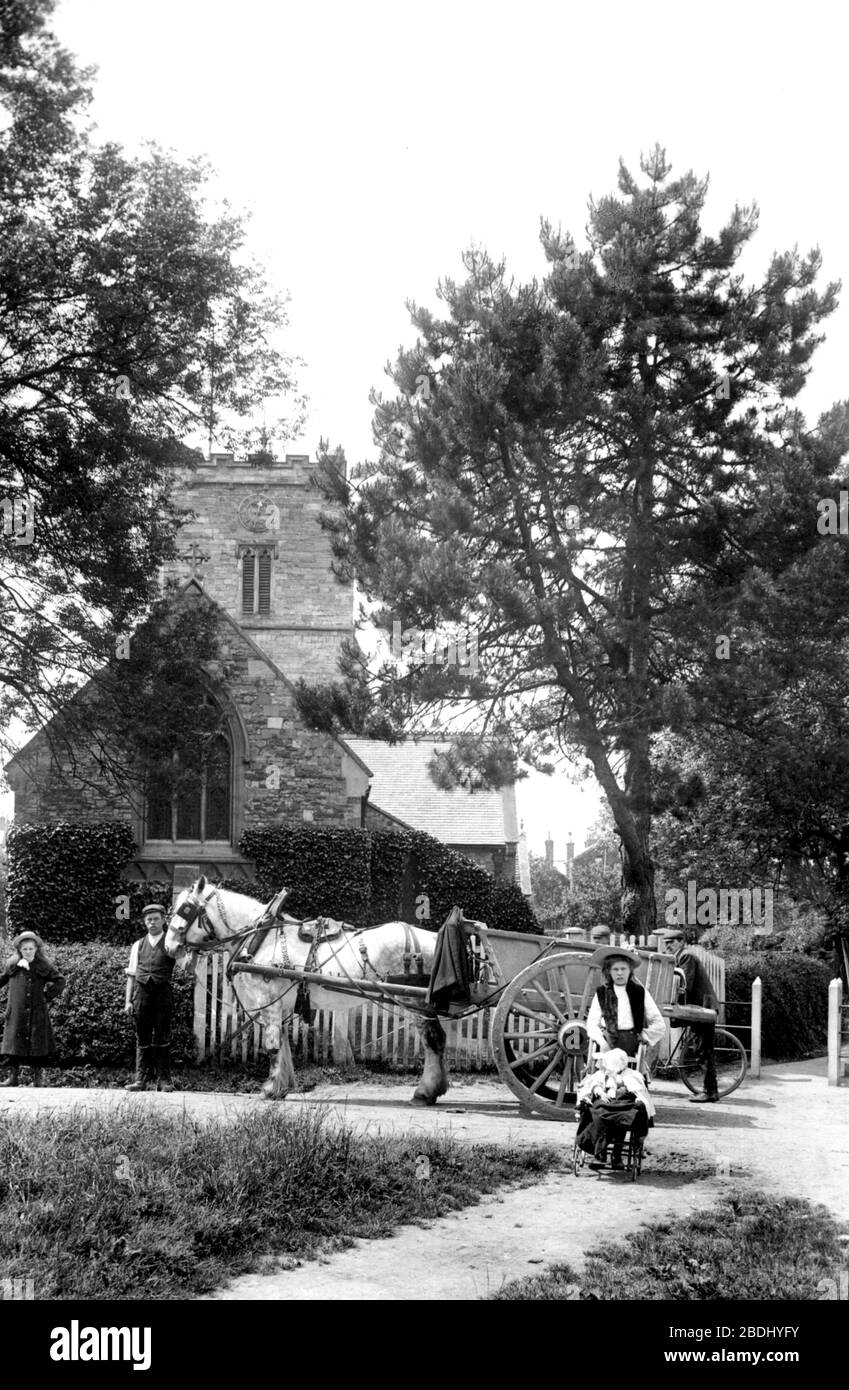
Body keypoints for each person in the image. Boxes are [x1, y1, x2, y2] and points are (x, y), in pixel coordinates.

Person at [660, 928, 719, 1102]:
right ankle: (708, 1089)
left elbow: (685, 985)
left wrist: (672, 1000)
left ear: (680, 941)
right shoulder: (681, 956)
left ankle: (711, 1092)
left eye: (671, 943)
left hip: (703, 1008)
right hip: (697, 1009)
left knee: (703, 1050)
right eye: (666, 943)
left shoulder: (687, 956)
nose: (668, 946)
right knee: (698, 1047)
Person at [0, 930, 65, 1086]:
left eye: (31, 948)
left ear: (36, 949)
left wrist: (47, 996)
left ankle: (38, 1079)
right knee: (13, 1045)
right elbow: (3, 978)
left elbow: (60, 981)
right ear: (19, 950)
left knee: (38, 1044)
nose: (28, 952)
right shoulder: (12, 964)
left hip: (37, 1011)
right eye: (25, 949)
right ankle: (13, 1078)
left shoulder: (43, 965)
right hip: (16, 1011)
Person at [125, 904, 176, 1092]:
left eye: (156, 919)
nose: (152, 922)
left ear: (163, 920)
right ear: (144, 922)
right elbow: (131, 974)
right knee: (142, 1036)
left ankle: (164, 1081)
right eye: (149, 919)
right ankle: (141, 1080)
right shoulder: (138, 945)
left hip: (163, 994)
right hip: (141, 994)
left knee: (162, 1035)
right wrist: (128, 1001)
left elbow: (186, 963)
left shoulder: (171, 943)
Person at [575, 1048, 655, 1169]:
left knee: (624, 1119)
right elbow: (594, 1084)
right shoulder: (602, 1074)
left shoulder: (632, 1075)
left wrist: (624, 1088)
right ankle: (600, 1154)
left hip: (623, 1104)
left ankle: (616, 1155)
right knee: (597, 1115)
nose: (608, 1070)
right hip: (604, 1103)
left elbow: (640, 1094)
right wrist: (600, 1092)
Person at [586, 946, 666, 1059]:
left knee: (628, 1075)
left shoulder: (639, 992)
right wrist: (602, 1043)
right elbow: (592, 1024)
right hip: (608, 1042)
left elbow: (659, 1024)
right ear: (609, 971)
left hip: (630, 1043)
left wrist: (644, 1036)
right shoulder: (602, 993)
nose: (619, 973)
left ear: (630, 971)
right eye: (615, 969)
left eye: (623, 969)